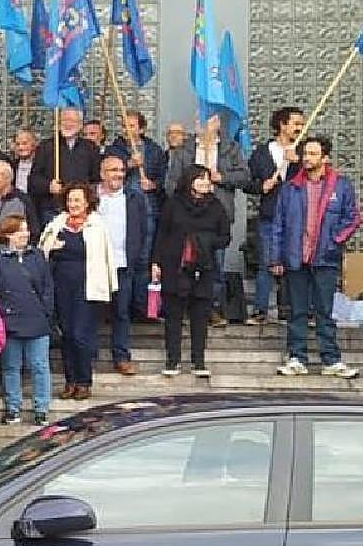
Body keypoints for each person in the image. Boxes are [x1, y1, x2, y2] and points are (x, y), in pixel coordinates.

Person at [270, 135, 361, 379]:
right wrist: (275, 258)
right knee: (296, 311)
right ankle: (296, 357)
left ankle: (330, 359)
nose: (306, 158)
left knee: (324, 311)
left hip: (326, 258)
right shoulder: (290, 188)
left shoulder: (340, 186)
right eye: (304, 154)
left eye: (312, 154)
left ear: (325, 157)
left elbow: (352, 218)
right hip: (296, 257)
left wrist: (335, 241)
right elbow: (278, 224)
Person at [165, 114, 249, 326]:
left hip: (216, 217)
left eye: (209, 121)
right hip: (186, 218)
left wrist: (222, 177)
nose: (204, 125)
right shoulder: (185, 149)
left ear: (218, 124)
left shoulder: (231, 148)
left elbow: (245, 176)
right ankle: (184, 309)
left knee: (215, 267)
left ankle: (212, 309)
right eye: (200, 120)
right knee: (184, 265)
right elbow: (171, 182)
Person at [39, 182, 117, 400]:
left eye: (77, 200)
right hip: (61, 287)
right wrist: (51, 249)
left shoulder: (96, 226)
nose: (73, 204)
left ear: (87, 203)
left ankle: (84, 381)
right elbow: (42, 252)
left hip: (87, 287)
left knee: (80, 335)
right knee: (66, 336)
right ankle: (70, 380)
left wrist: (109, 287)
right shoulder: (57, 224)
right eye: (70, 200)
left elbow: (105, 258)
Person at [151, 165, 231, 377]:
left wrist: (205, 242)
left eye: (207, 179)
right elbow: (161, 234)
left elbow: (225, 237)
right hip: (174, 266)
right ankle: (172, 361)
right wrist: (156, 262)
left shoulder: (216, 206)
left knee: (200, 315)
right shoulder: (173, 204)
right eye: (201, 179)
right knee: (173, 316)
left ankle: (198, 361)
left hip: (202, 267)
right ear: (189, 181)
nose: (206, 182)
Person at [0, 215, 53, 425]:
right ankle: (12, 407)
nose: (25, 234)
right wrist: (2, 313)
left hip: (37, 320)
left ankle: (41, 408)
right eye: (19, 230)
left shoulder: (37, 256)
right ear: (7, 235)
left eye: (26, 229)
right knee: (10, 367)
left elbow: (47, 287)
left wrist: (45, 310)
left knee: (40, 366)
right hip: (10, 321)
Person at [106, 110, 168, 320]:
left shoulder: (154, 150)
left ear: (141, 128)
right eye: (125, 126)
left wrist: (154, 184)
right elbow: (107, 172)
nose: (128, 130)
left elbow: (163, 179)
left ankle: (142, 307)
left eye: (132, 126)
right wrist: (129, 164)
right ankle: (121, 307)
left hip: (148, 210)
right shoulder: (115, 149)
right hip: (123, 212)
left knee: (144, 260)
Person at [246, 106, 304, 325]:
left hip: (296, 217)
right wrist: (262, 186)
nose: (299, 128)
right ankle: (260, 310)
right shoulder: (262, 153)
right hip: (270, 215)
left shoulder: (304, 151)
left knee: (294, 264)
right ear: (282, 124)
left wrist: (297, 162)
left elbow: (313, 180)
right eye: (295, 123)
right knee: (266, 263)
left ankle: (290, 310)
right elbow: (247, 183)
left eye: (301, 124)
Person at [96, 154, 149, 375]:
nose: (118, 174)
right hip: (95, 265)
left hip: (123, 264)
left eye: (120, 170)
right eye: (112, 170)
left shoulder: (135, 198)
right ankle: (89, 354)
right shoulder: (91, 196)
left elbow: (145, 230)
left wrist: (140, 259)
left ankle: (121, 356)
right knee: (91, 312)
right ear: (102, 173)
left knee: (121, 312)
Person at [28, 107, 101, 226]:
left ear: (80, 124)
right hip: (53, 210)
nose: (68, 124)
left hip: (81, 211)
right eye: (64, 120)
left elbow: (96, 179)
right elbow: (33, 180)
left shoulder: (90, 148)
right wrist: (49, 186)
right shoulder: (46, 147)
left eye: (72, 120)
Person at [9, 129, 37, 194]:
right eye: (18, 144)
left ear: (34, 145)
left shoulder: (41, 165)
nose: (21, 147)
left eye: (24, 143)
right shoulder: (12, 165)